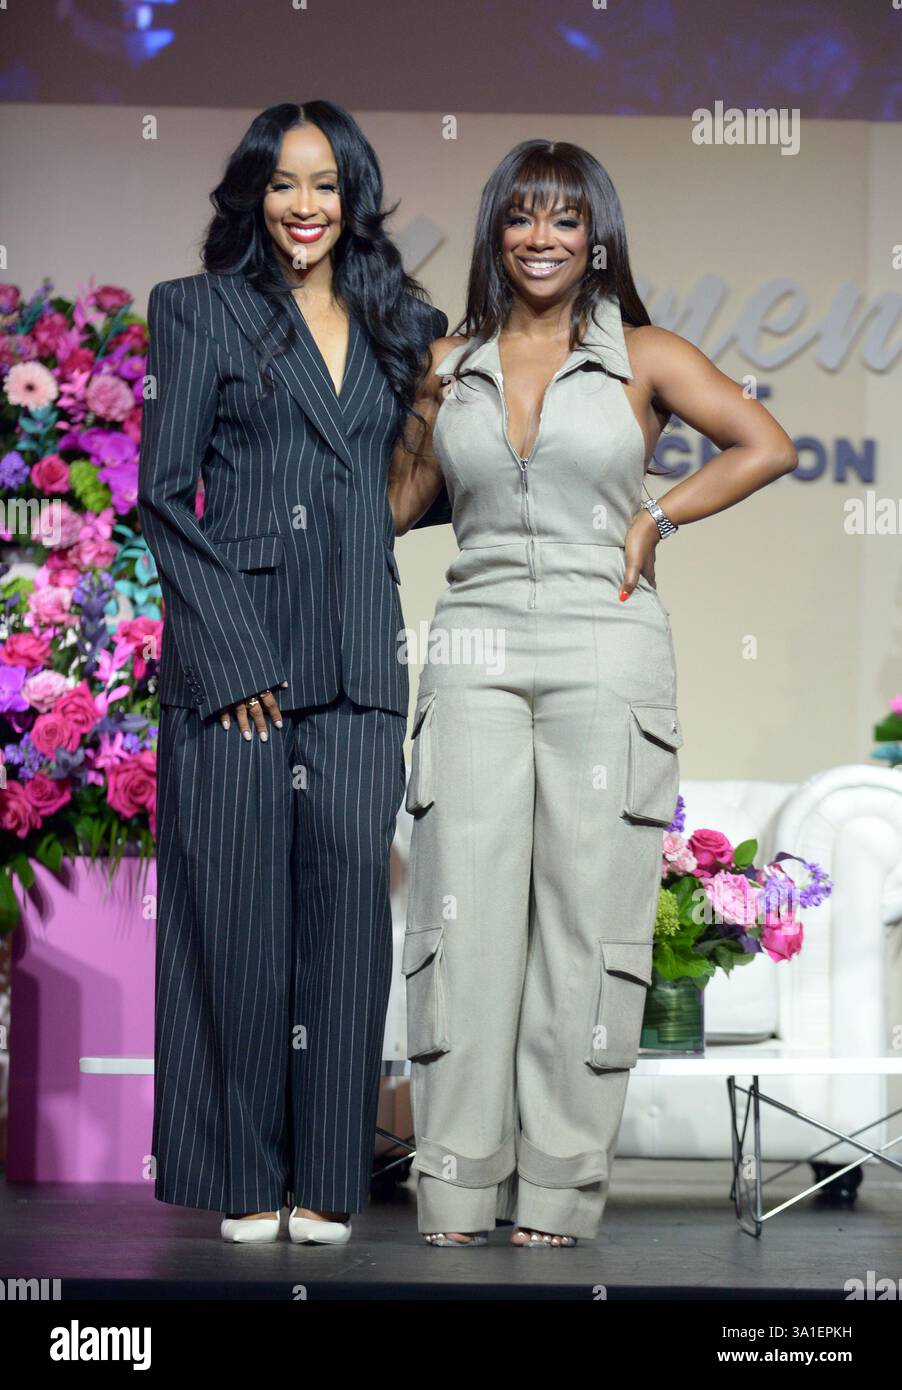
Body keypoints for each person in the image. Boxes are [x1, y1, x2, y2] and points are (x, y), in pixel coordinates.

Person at [389, 139, 797, 1248]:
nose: (540, 237)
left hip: (604, 645)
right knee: (458, 922)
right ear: (495, 232)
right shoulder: (447, 362)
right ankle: (458, 1187)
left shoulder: (644, 353)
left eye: (564, 220)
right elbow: (393, 505)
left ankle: (559, 1190)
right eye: (520, 216)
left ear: (596, 236)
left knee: (584, 923)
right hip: (471, 647)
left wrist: (654, 516)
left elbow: (764, 443)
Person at [138, 100, 447, 1244]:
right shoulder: (195, 311)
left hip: (361, 656)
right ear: (252, 196)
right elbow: (164, 494)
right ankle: (241, 1171)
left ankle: (328, 1172)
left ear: (354, 193)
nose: (303, 206)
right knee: (234, 921)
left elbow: (416, 484)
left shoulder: (403, 322)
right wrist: (228, 656)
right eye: (282, 184)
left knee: (345, 920)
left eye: (322, 184)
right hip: (237, 661)